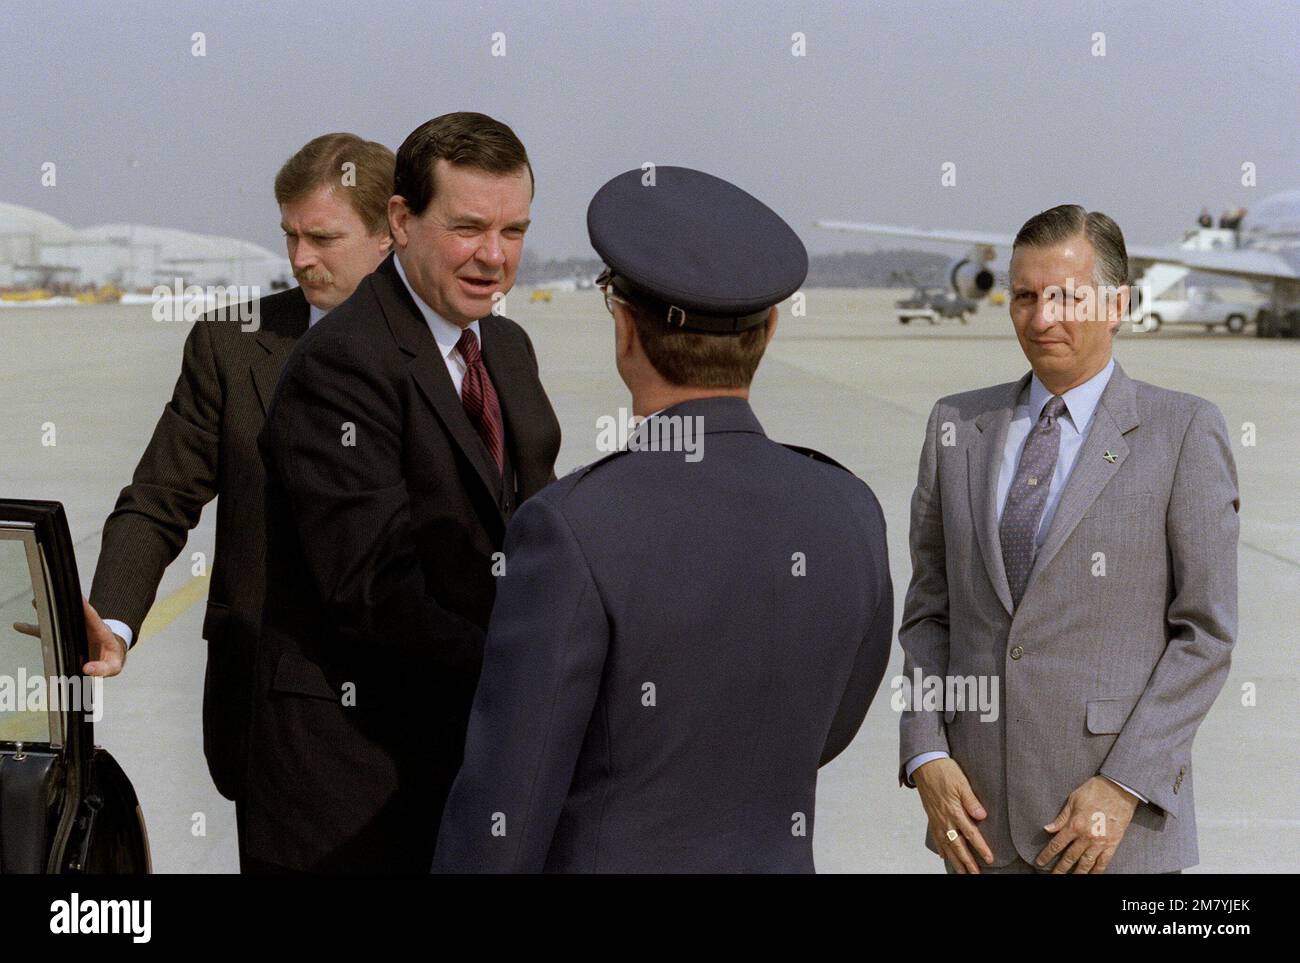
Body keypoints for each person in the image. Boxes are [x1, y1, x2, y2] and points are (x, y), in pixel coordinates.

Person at [433, 166, 894, 873]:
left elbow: (507, 810)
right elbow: (827, 730)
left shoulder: (570, 528)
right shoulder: (850, 507)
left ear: (623, 328)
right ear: (767, 331)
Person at [246, 112, 561, 872]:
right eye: (468, 227)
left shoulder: (507, 348)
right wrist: (536, 677)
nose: (494, 256)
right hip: (354, 784)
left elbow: (539, 531)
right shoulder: (343, 363)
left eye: (513, 231)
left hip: (469, 760)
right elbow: (376, 593)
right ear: (401, 221)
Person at [82, 133, 394, 865]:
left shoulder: (460, 351)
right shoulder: (232, 342)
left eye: (322, 237)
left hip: (405, 724)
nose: (299, 258)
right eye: (289, 235)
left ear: (391, 233)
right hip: (266, 721)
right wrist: (114, 617)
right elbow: (159, 495)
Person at [898, 204, 1238, 874]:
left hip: (1115, 834)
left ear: (1119, 303)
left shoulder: (1182, 432)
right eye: (1024, 296)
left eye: (1065, 296)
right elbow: (929, 613)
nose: (1041, 317)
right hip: (977, 829)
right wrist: (926, 751)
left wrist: (1122, 782)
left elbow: (1206, 634)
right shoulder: (955, 427)